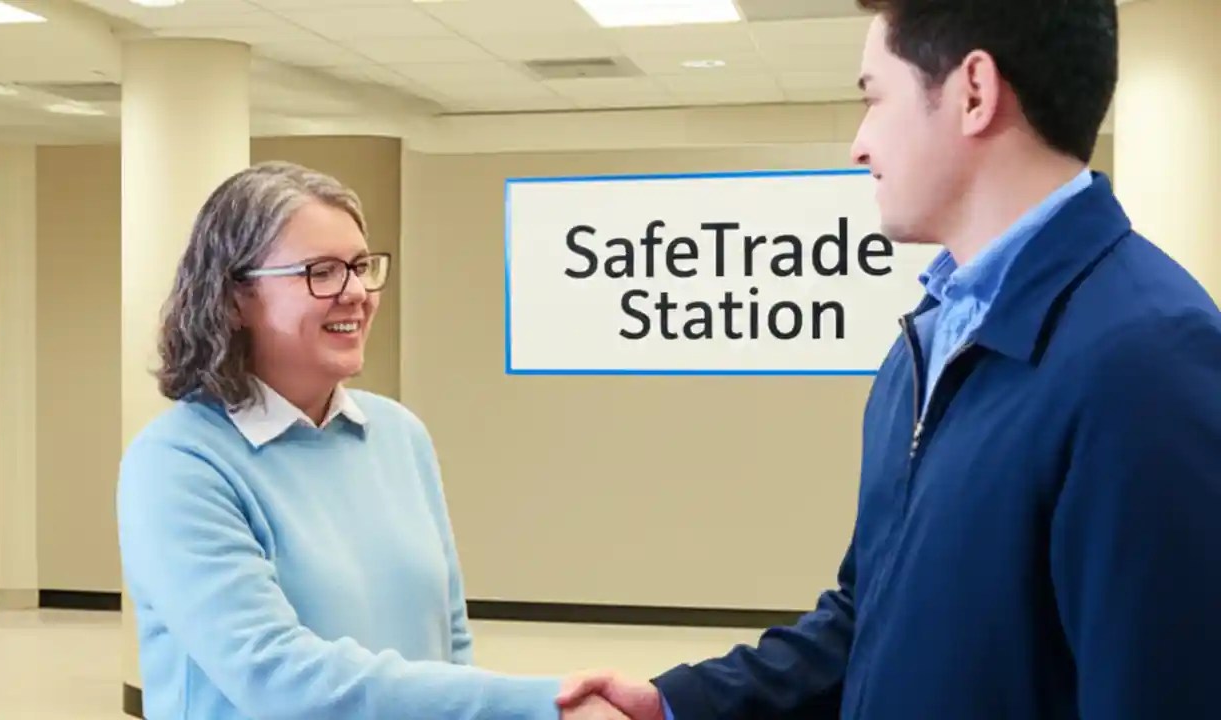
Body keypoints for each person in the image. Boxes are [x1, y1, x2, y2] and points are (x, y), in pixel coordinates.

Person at [556, 0, 1221, 718]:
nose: (859, 145)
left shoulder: (1147, 361)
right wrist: (674, 704)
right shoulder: (928, 343)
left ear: (973, 92)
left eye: (874, 98)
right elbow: (867, 620)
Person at [116, 161, 626, 720]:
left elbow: (448, 641)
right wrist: (540, 707)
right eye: (321, 272)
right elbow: (277, 678)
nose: (356, 292)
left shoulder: (398, 434)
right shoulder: (179, 463)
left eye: (360, 267)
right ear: (236, 298)